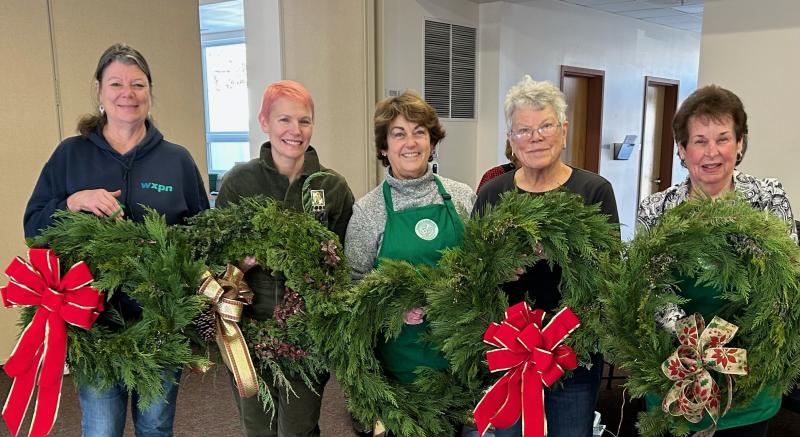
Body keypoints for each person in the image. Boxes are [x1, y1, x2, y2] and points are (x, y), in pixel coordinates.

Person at [23, 43, 210, 437]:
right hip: (94, 324)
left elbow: (203, 236)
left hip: (161, 323)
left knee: (156, 426)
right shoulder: (70, 155)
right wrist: (72, 202)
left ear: (150, 92)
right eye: (116, 84)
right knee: (102, 427)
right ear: (99, 90)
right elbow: (34, 227)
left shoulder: (176, 160)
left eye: (138, 84)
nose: (128, 93)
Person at [637, 85, 796, 437]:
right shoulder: (657, 209)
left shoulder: (767, 199)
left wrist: (737, 343)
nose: (712, 152)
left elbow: (785, 280)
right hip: (678, 367)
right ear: (682, 149)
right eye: (699, 141)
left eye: (723, 139)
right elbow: (650, 288)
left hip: (750, 372)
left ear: (739, 144)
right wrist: (693, 341)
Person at [472, 75, 619, 437]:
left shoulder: (594, 191)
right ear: (511, 140)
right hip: (511, 353)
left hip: (573, 355)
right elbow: (472, 270)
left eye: (545, 126)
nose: (535, 137)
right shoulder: (492, 194)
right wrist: (497, 270)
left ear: (563, 132)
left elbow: (609, 274)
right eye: (524, 130)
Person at [215, 80, 354, 437]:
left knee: (299, 427)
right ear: (264, 122)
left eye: (304, 121)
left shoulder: (332, 187)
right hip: (249, 329)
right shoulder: (239, 182)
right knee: (258, 426)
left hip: (307, 333)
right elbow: (216, 259)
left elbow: (346, 262)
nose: (295, 130)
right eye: (284, 120)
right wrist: (242, 264)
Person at [344, 90, 476, 436]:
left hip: (460, 360)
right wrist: (393, 308)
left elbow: (482, 268)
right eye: (399, 134)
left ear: (432, 142)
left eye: (420, 132)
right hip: (400, 370)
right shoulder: (368, 211)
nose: (411, 143)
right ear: (384, 147)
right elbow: (353, 286)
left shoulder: (462, 197)